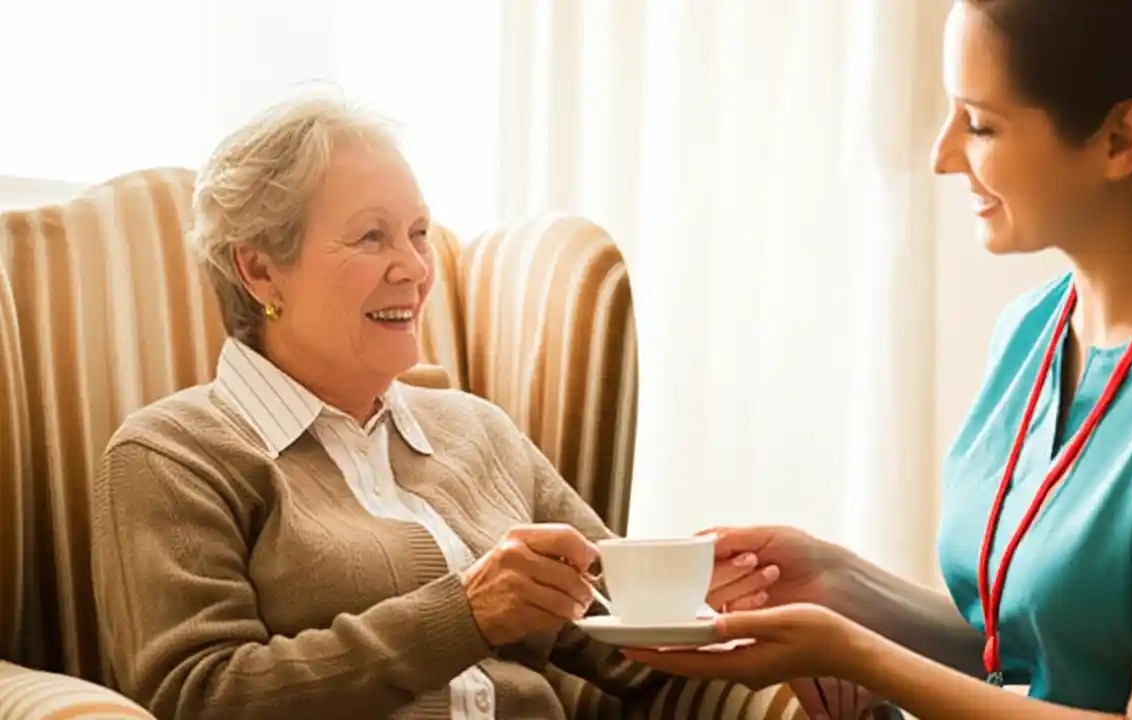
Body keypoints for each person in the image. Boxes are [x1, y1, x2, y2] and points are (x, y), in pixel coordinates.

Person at [640, 1, 1132, 718]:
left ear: (1120, 138)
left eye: (979, 124)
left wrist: (849, 651)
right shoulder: (1033, 328)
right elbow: (1032, 652)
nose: (943, 155)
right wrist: (837, 582)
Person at [88, 96, 788, 719]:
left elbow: (616, 641)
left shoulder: (478, 429)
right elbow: (195, 696)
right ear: (260, 268)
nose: (416, 268)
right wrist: (466, 613)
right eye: (372, 236)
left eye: (419, 232)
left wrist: (721, 614)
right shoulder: (173, 455)